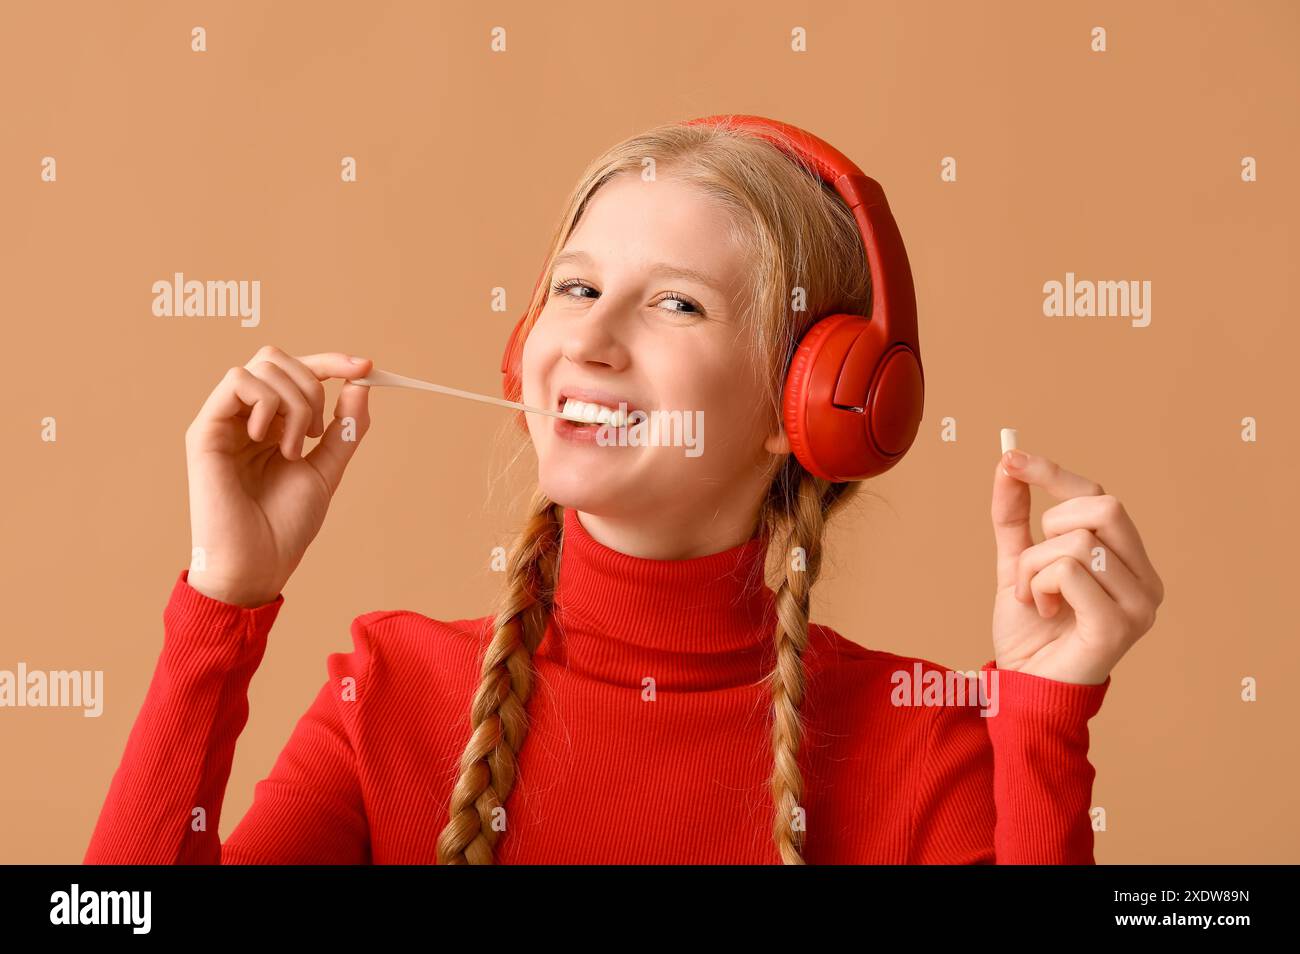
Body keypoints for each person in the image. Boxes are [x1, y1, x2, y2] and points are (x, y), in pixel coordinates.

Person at [84, 116, 1163, 865]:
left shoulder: (927, 742)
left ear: (811, 406)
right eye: (577, 288)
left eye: (677, 306)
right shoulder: (390, 694)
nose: (589, 342)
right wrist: (220, 607)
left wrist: (1042, 714)